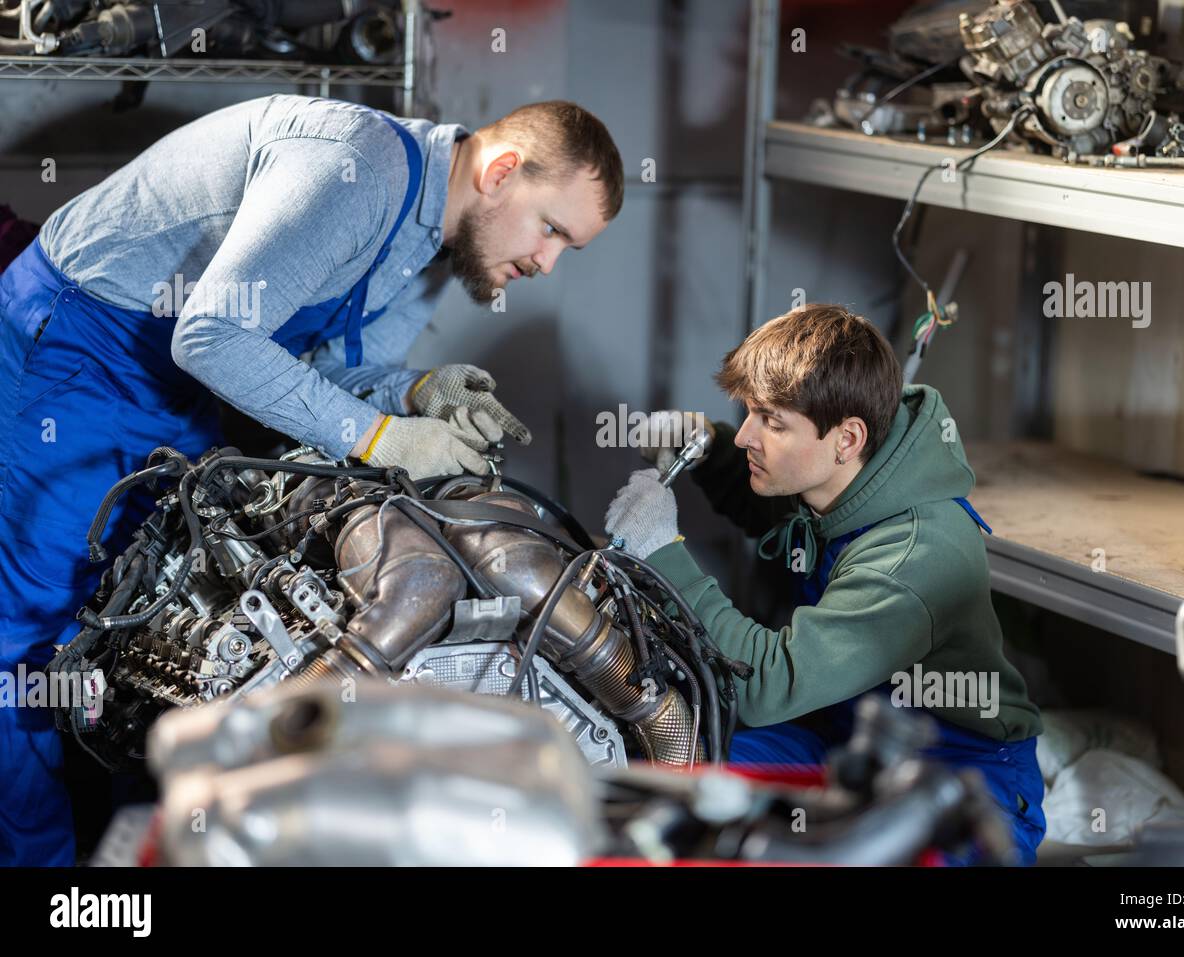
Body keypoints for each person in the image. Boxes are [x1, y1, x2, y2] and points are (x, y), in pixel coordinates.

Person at [0, 93, 623, 864]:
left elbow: (323, 367)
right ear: (499, 173)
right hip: (81, 351)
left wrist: (414, 392)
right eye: (551, 228)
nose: (545, 262)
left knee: (147, 624)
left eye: (570, 248)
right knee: (31, 649)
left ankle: (141, 855)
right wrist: (384, 434)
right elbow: (213, 333)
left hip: (183, 386)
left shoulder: (432, 249)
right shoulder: (353, 171)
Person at [604, 303, 1046, 864]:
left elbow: (766, 686)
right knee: (684, 773)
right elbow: (776, 513)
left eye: (772, 422)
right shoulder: (846, 476)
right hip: (846, 734)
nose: (747, 436)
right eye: (747, 414)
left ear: (847, 438)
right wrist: (707, 447)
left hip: (961, 773)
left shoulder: (913, 557)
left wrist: (663, 554)